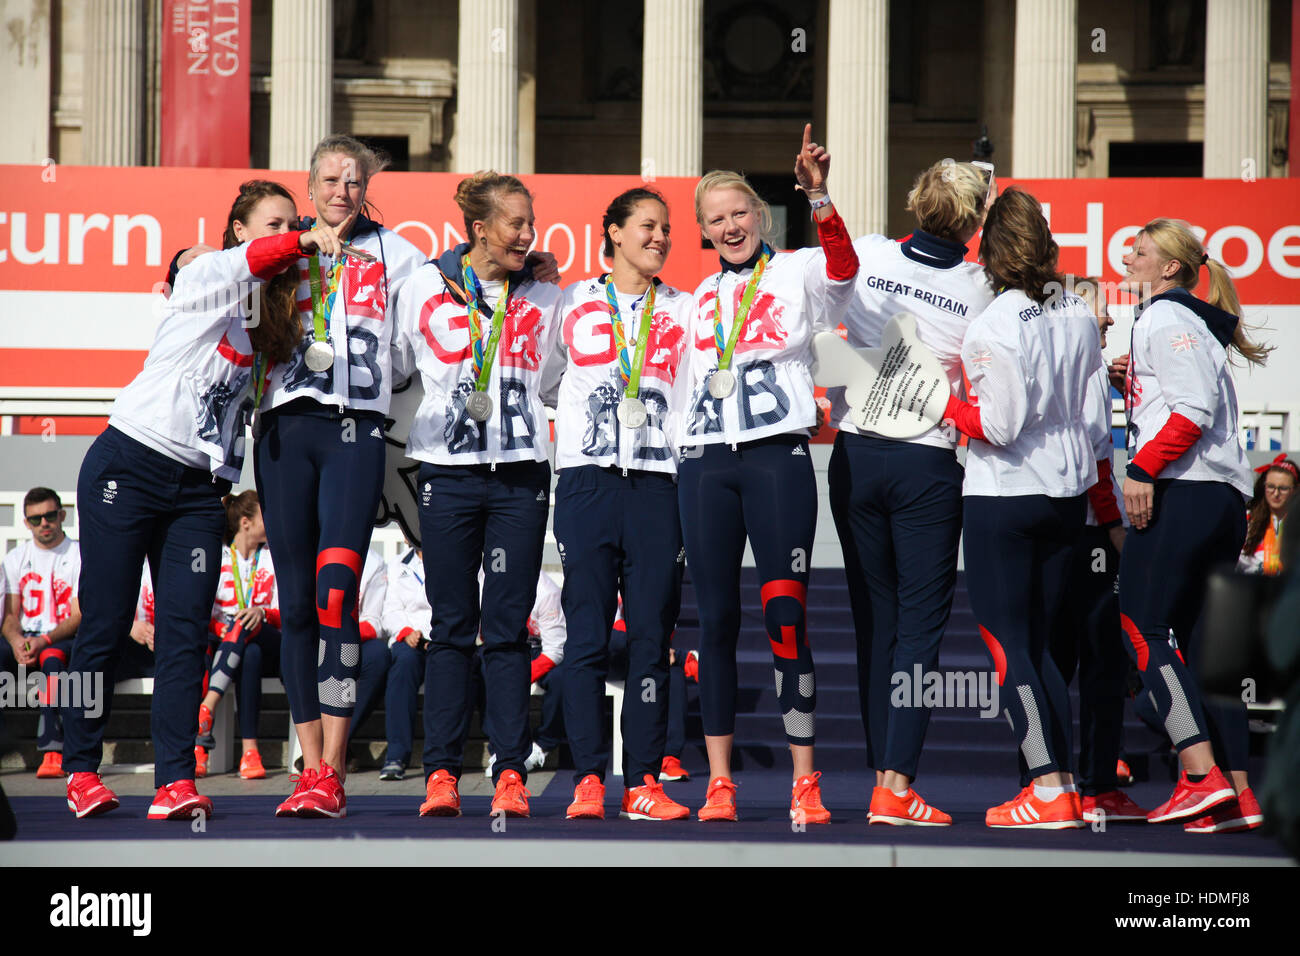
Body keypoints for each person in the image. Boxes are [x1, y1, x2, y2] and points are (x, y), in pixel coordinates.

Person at [61, 179, 323, 819]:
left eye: (293, 223)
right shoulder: (208, 274)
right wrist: (305, 240)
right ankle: (78, 770)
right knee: (105, 619)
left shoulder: (278, 313)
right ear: (239, 230)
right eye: (272, 223)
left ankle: (175, 779)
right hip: (132, 458)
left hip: (201, 491)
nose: (285, 233)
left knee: (185, 633)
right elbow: (252, 261)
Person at [676, 126, 857, 823]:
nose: (729, 226)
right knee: (716, 622)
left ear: (760, 214)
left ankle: (804, 782)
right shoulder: (694, 301)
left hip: (777, 458)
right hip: (706, 465)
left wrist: (818, 195)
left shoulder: (796, 271)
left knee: (785, 616)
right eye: (715, 219)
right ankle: (721, 782)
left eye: (739, 213)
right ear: (703, 230)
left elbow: (842, 270)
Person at [255, 136, 426, 819]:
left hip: (355, 429)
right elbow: (216, 276)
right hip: (284, 428)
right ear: (310, 185)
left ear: (367, 186)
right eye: (328, 178)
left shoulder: (400, 254)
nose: (340, 190)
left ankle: (334, 764)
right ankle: (309, 767)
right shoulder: (282, 248)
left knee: (334, 596)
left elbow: (427, 329)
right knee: (296, 606)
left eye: (353, 180)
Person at [826, 160, 994, 826]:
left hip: (856, 455)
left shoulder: (867, 253)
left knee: (878, 626)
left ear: (915, 203)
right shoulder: (980, 287)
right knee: (918, 632)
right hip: (925, 463)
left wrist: (819, 196)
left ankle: (884, 778)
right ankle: (894, 785)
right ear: (974, 221)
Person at [393, 171, 563, 818]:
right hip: (448, 472)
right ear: (478, 229)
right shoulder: (420, 290)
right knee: (451, 625)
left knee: (508, 628)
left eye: (531, 222)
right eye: (516, 223)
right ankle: (440, 772)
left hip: (520, 474)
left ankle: (511, 770)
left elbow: (552, 383)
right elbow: (398, 367)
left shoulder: (546, 298)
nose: (528, 233)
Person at [942, 187, 1101, 829]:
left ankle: (1045, 786)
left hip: (1006, 497)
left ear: (991, 250)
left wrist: (938, 402)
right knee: (1043, 650)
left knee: (1012, 649)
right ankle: (1060, 782)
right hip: (1066, 497)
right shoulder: (1081, 313)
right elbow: (1094, 417)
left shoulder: (994, 322)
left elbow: (998, 426)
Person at [542, 187, 695, 821]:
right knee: (584, 636)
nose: (660, 237)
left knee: (651, 639)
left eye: (665, 229)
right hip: (586, 481)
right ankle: (586, 778)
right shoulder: (570, 300)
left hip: (661, 483)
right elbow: (548, 378)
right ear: (612, 232)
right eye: (647, 227)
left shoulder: (686, 309)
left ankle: (643, 781)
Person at [1117, 218, 1271, 833]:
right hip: (1223, 498)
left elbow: (1191, 410)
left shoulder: (1165, 317)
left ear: (1172, 268)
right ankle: (1238, 796)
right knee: (1209, 651)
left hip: (1186, 488)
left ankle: (1198, 773)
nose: (1132, 255)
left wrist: (1140, 469)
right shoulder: (1193, 321)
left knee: (1141, 625)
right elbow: (1186, 397)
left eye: (1144, 250)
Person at [1048, 278, 1147, 824]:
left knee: (1061, 658)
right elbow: (1093, 460)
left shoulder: (1082, 370)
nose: (1109, 320)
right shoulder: (1080, 373)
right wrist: (1114, 528)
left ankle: (1053, 782)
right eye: (1099, 312)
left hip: (1063, 528)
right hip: (1087, 530)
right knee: (1096, 660)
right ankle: (1092, 787)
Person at [193, 491, 280, 780]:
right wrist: (227, 629)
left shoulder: (274, 558)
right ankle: (249, 753)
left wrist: (262, 614)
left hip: (272, 640)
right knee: (248, 652)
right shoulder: (216, 557)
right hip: (230, 645)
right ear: (245, 523)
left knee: (248, 629)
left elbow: (288, 610)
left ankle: (208, 708)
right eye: (266, 516)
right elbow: (201, 611)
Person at [2, 488, 80, 778]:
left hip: (61, 640)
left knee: (51, 657)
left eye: (49, 516)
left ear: (61, 516)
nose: (44, 523)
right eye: (36, 519)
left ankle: (52, 750)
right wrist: (16, 640)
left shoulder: (78, 555)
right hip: (26, 638)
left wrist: (44, 639)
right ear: (27, 523)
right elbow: (10, 615)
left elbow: (79, 615)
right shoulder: (16, 558)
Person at [346, 547, 391, 769]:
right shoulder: (306, 548)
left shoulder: (372, 562)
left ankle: (335, 743)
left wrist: (340, 633)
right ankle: (326, 746)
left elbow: (374, 622)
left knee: (378, 656)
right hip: (314, 638)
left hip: (352, 638)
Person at [1238, 455, 1295, 575]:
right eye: (1270, 487)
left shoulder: (1296, 521)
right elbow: (1237, 559)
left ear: (1295, 490)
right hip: (1253, 586)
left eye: (1283, 488)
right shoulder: (1247, 519)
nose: (1276, 493)